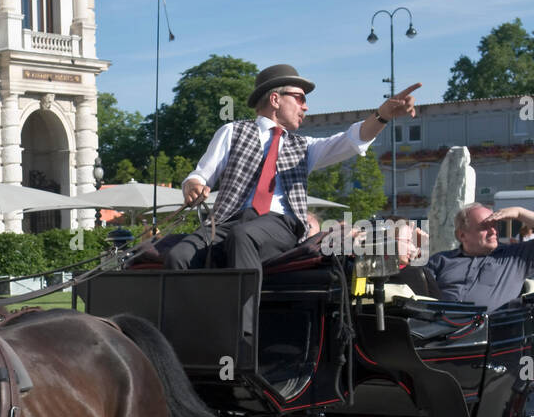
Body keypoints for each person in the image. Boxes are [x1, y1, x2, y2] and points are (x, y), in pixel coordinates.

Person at [165, 65, 420, 276]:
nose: (305, 107)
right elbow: (200, 174)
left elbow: (351, 140)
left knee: (244, 237)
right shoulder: (232, 132)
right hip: (226, 222)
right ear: (275, 99)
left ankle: (245, 335)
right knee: (179, 256)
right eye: (300, 98)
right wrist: (193, 186)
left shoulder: (305, 146)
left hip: (280, 224)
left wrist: (383, 116)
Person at [427, 204, 534, 312]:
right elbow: (415, 292)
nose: (493, 231)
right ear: (462, 235)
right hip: (441, 338)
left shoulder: (516, 257)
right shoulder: (440, 261)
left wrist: (520, 213)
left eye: (495, 225)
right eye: (484, 227)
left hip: (494, 341)